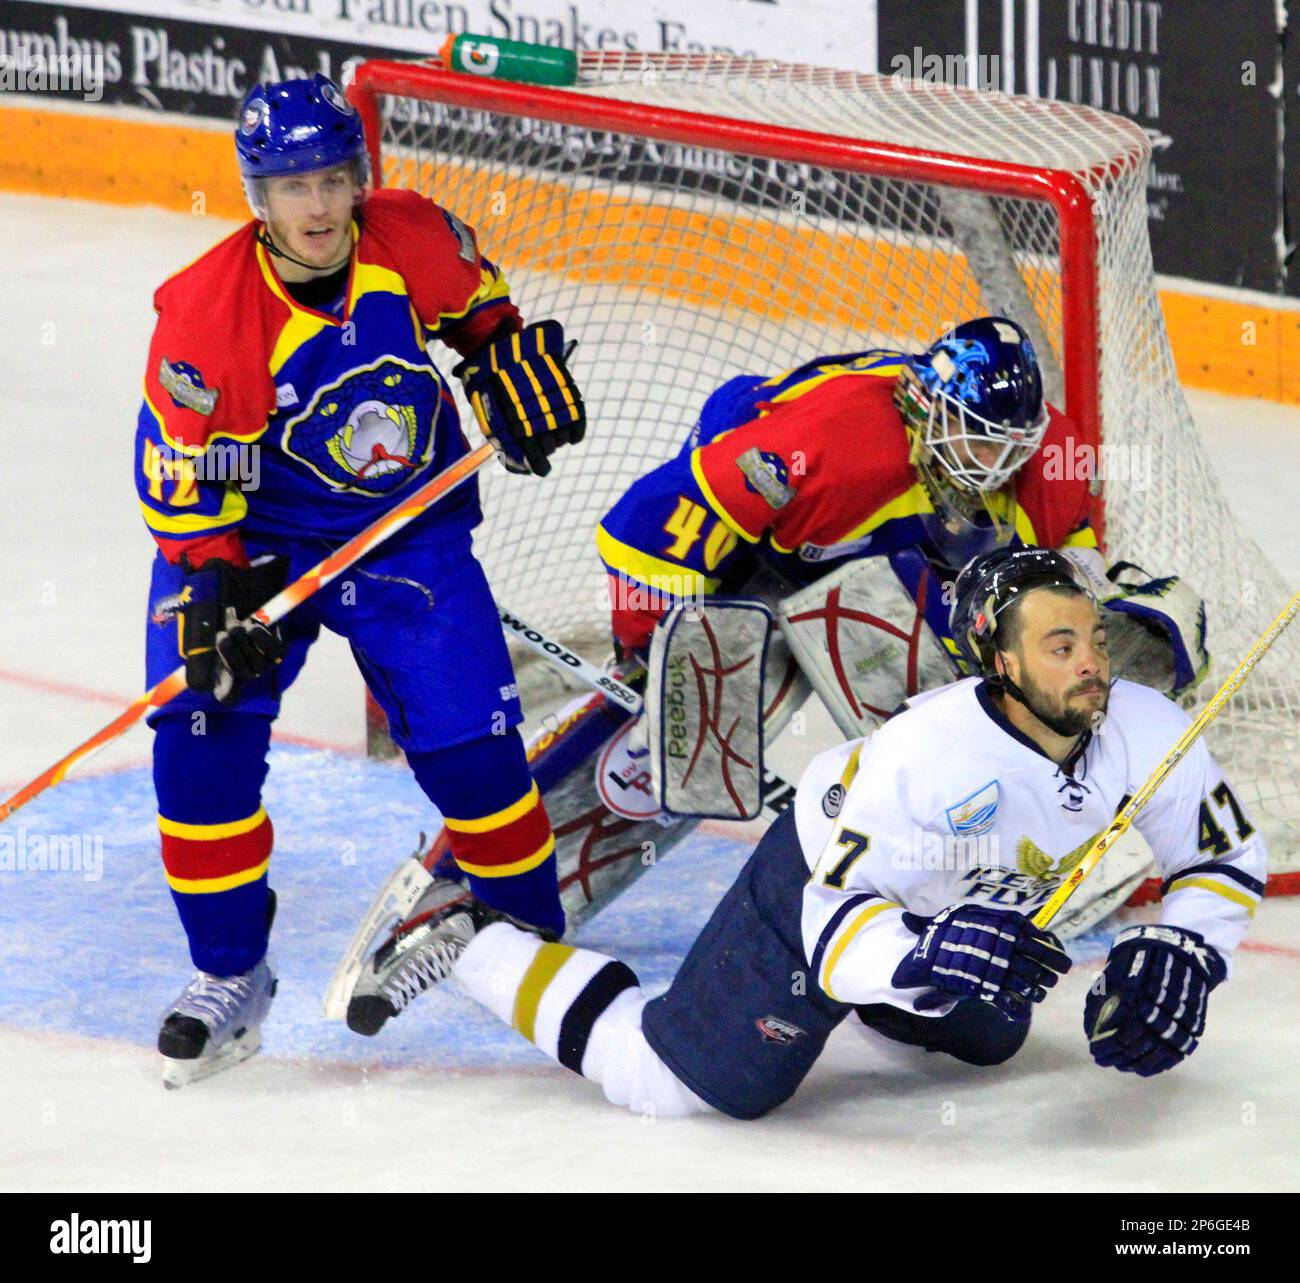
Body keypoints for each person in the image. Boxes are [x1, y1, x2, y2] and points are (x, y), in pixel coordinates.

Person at [345, 547, 1266, 1119]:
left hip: (947, 913)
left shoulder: (1142, 729)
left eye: (1093, 640)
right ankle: (473, 936)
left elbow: (1222, 856)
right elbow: (837, 937)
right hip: (823, 893)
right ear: (1001, 658)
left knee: (990, 1034)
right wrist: (920, 955)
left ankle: (914, 987)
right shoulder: (925, 758)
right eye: (1062, 646)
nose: (1095, 666)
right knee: (685, 1087)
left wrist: (1187, 942)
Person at [138, 74, 585, 1087]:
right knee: (198, 739)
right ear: (257, 194)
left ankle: (526, 934)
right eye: (294, 185)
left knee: (475, 752)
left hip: (406, 530)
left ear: (359, 176)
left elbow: (482, 318)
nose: (319, 205)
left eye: (336, 178)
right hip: (257, 541)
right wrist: (219, 595)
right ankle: (229, 976)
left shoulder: (412, 234)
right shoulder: (209, 320)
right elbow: (185, 485)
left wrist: (502, 365)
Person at [595, 317, 1206, 699]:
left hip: (886, 546)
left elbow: (1069, 549)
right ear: (926, 410)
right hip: (761, 496)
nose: (994, 460)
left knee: (971, 658)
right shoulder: (829, 448)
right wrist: (651, 637)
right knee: (721, 637)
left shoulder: (1050, 459)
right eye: (977, 435)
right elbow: (655, 516)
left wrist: (1093, 602)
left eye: (1007, 443)